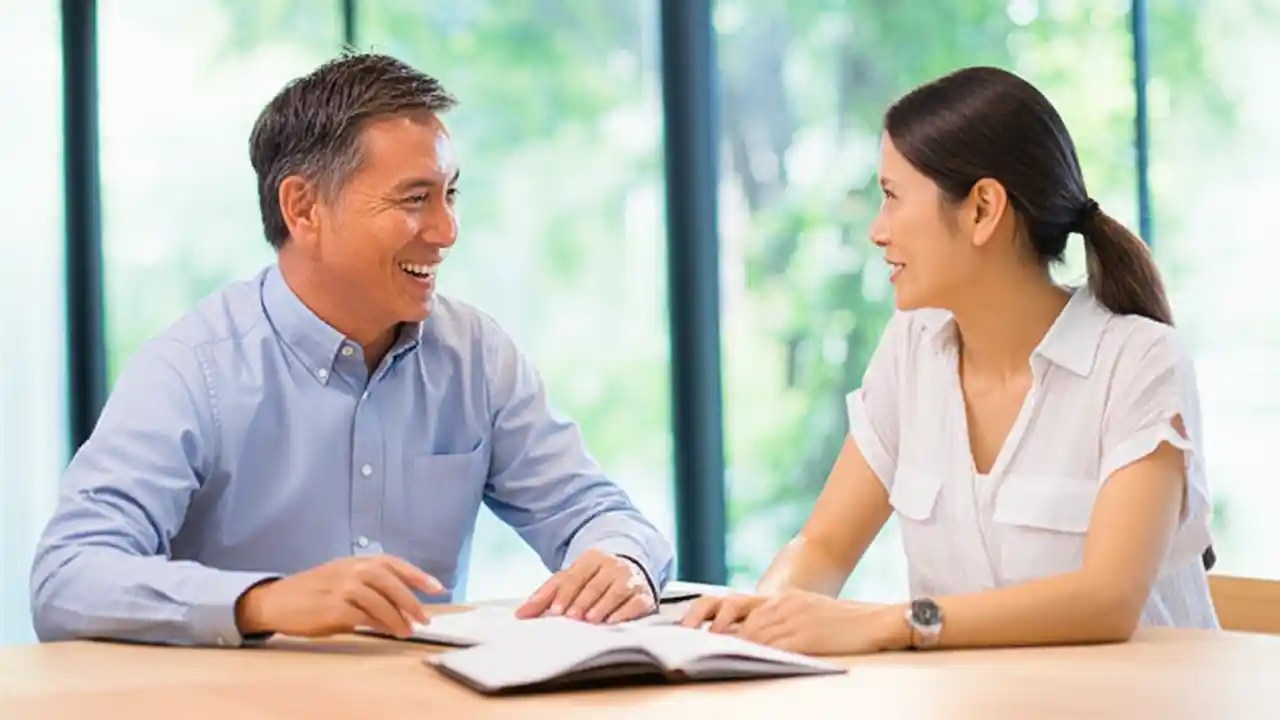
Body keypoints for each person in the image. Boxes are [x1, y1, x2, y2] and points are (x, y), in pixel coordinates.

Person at [30, 52, 672, 647]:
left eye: (450, 195)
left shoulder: (476, 356)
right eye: (416, 199)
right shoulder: (192, 368)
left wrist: (620, 559)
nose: (447, 231)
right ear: (303, 207)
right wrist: (261, 601)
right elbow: (68, 577)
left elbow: (597, 511)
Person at [681, 66, 1217, 654]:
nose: (877, 231)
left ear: (983, 208)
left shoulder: (1139, 360)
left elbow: (1107, 600)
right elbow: (823, 547)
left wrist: (891, 624)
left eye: (890, 197)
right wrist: (757, 624)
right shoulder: (912, 346)